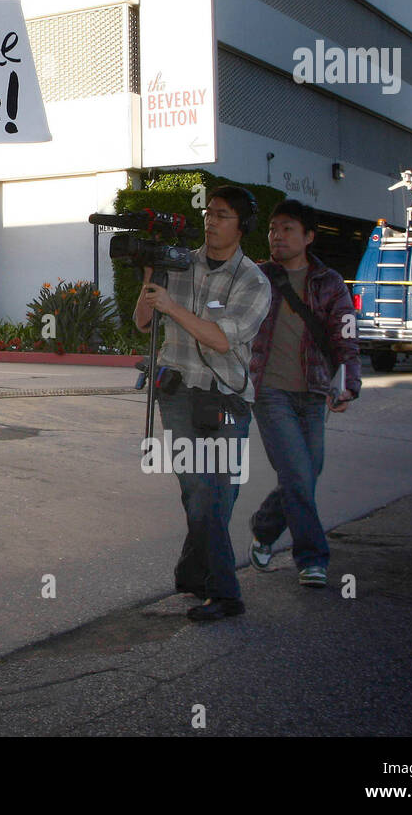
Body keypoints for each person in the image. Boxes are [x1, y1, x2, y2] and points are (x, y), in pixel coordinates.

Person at [134, 186, 271, 621]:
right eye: (209, 213)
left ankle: (220, 589)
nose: (211, 221)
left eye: (223, 215)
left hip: (225, 398)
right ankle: (204, 580)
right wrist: (150, 279)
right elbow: (141, 323)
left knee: (212, 495)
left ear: (242, 225)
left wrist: (171, 306)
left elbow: (218, 338)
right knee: (200, 491)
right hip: (176, 394)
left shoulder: (253, 280)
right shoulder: (180, 263)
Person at [246, 199, 361, 589]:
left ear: (309, 237)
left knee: (307, 474)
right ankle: (312, 558)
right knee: (297, 473)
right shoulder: (256, 277)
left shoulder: (329, 283)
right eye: (273, 228)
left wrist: (347, 384)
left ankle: (264, 527)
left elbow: (345, 339)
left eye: (287, 229)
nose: (277, 235)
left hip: (313, 393)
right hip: (270, 392)